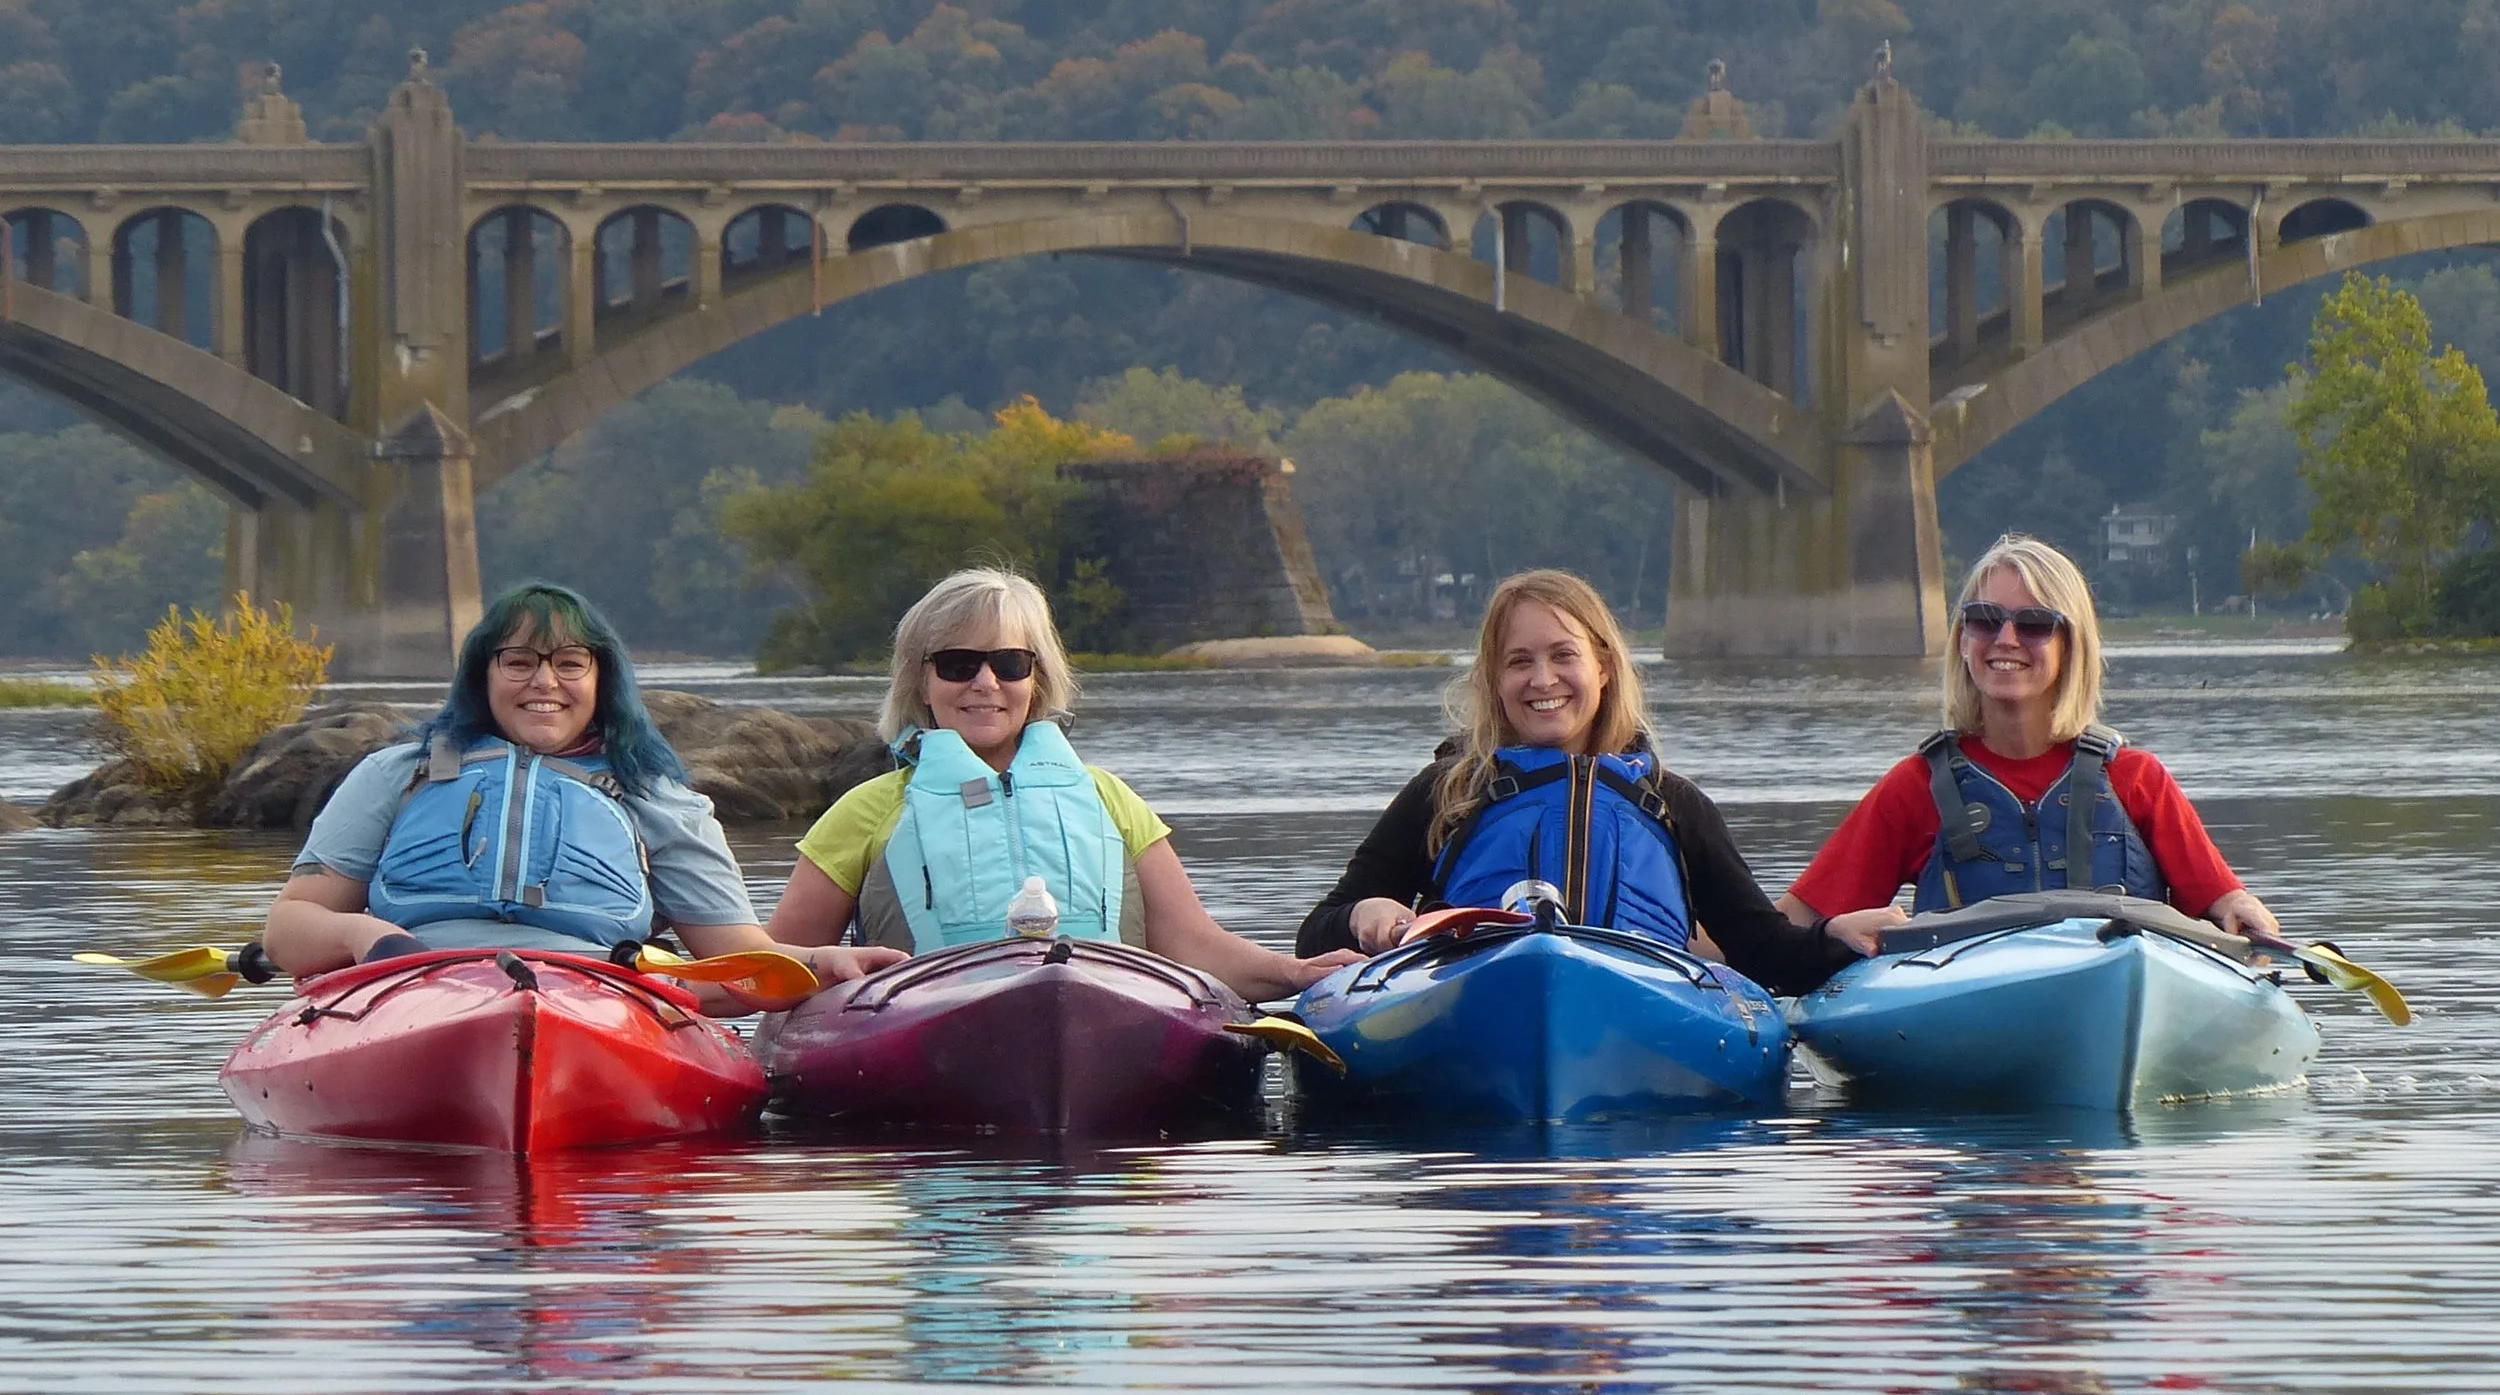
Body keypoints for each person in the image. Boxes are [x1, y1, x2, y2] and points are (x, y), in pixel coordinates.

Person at [260, 580, 891, 1001]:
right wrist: (362, 938)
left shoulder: (656, 798)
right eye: (518, 662)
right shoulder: (398, 774)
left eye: (568, 663)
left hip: (595, 997)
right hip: (408, 989)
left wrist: (816, 961)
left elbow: (734, 963)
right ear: (484, 676)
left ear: (600, 679)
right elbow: (287, 929)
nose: (545, 682)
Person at [768, 566, 1353, 1000]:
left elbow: (1194, 945)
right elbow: (772, 963)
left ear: (1036, 678)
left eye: (1010, 664)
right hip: (922, 1023)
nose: (985, 682)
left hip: (1106, 1011)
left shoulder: (1108, 797)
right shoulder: (867, 810)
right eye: (957, 664)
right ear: (920, 684)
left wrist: (1296, 973)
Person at [1294, 568, 1886, 991]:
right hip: (1473, 999)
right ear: (1493, 679)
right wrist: (1360, 913)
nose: (1542, 679)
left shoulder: (1675, 805)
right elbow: (1315, 936)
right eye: (1519, 661)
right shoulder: (1445, 792)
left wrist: (1838, 934)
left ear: (1602, 666)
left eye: (1563, 656)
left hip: (1640, 1000)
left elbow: (1765, 951)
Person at [1776, 532, 2282, 940]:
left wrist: (2239, 905)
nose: (2006, 639)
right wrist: (1828, 932)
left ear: (2071, 644)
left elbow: (2222, 901)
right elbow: (1781, 929)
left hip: (2115, 984)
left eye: (2036, 623)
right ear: (1964, 639)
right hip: (1963, 1012)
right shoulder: (1915, 788)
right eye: (1985, 620)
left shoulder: (2135, 779)